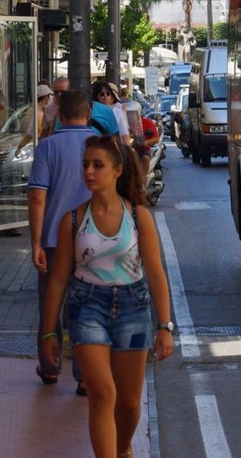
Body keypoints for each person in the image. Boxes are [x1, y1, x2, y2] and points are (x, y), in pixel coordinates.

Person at [42, 135, 173, 458]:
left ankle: (123, 446)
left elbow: (155, 273)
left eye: (97, 165)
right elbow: (58, 278)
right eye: (85, 165)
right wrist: (48, 331)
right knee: (102, 393)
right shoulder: (71, 220)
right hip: (87, 307)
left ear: (116, 170)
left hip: (134, 307)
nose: (88, 171)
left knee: (128, 404)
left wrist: (164, 325)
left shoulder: (138, 217)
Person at [28, 90, 95, 393]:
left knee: (49, 305)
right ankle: (84, 374)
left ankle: (50, 366)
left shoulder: (47, 147)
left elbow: (38, 199)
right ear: (89, 112)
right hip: (94, 239)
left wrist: (36, 243)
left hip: (55, 240)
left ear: (58, 113)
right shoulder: (101, 145)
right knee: (87, 307)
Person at [15, 83, 53, 156]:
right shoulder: (38, 114)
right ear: (45, 97)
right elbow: (29, 134)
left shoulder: (37, 112)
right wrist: (19, 147)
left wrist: (20, 147)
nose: (49, 98)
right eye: (49, 96)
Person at [92, 80, 131, 145]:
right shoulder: (91, 110)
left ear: (111, 96)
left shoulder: (118, 112)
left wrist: (127, 149)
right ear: (97, 96)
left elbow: (124, 132)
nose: (105, 96)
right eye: (102, 94)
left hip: (112, 146)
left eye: (108, 93)